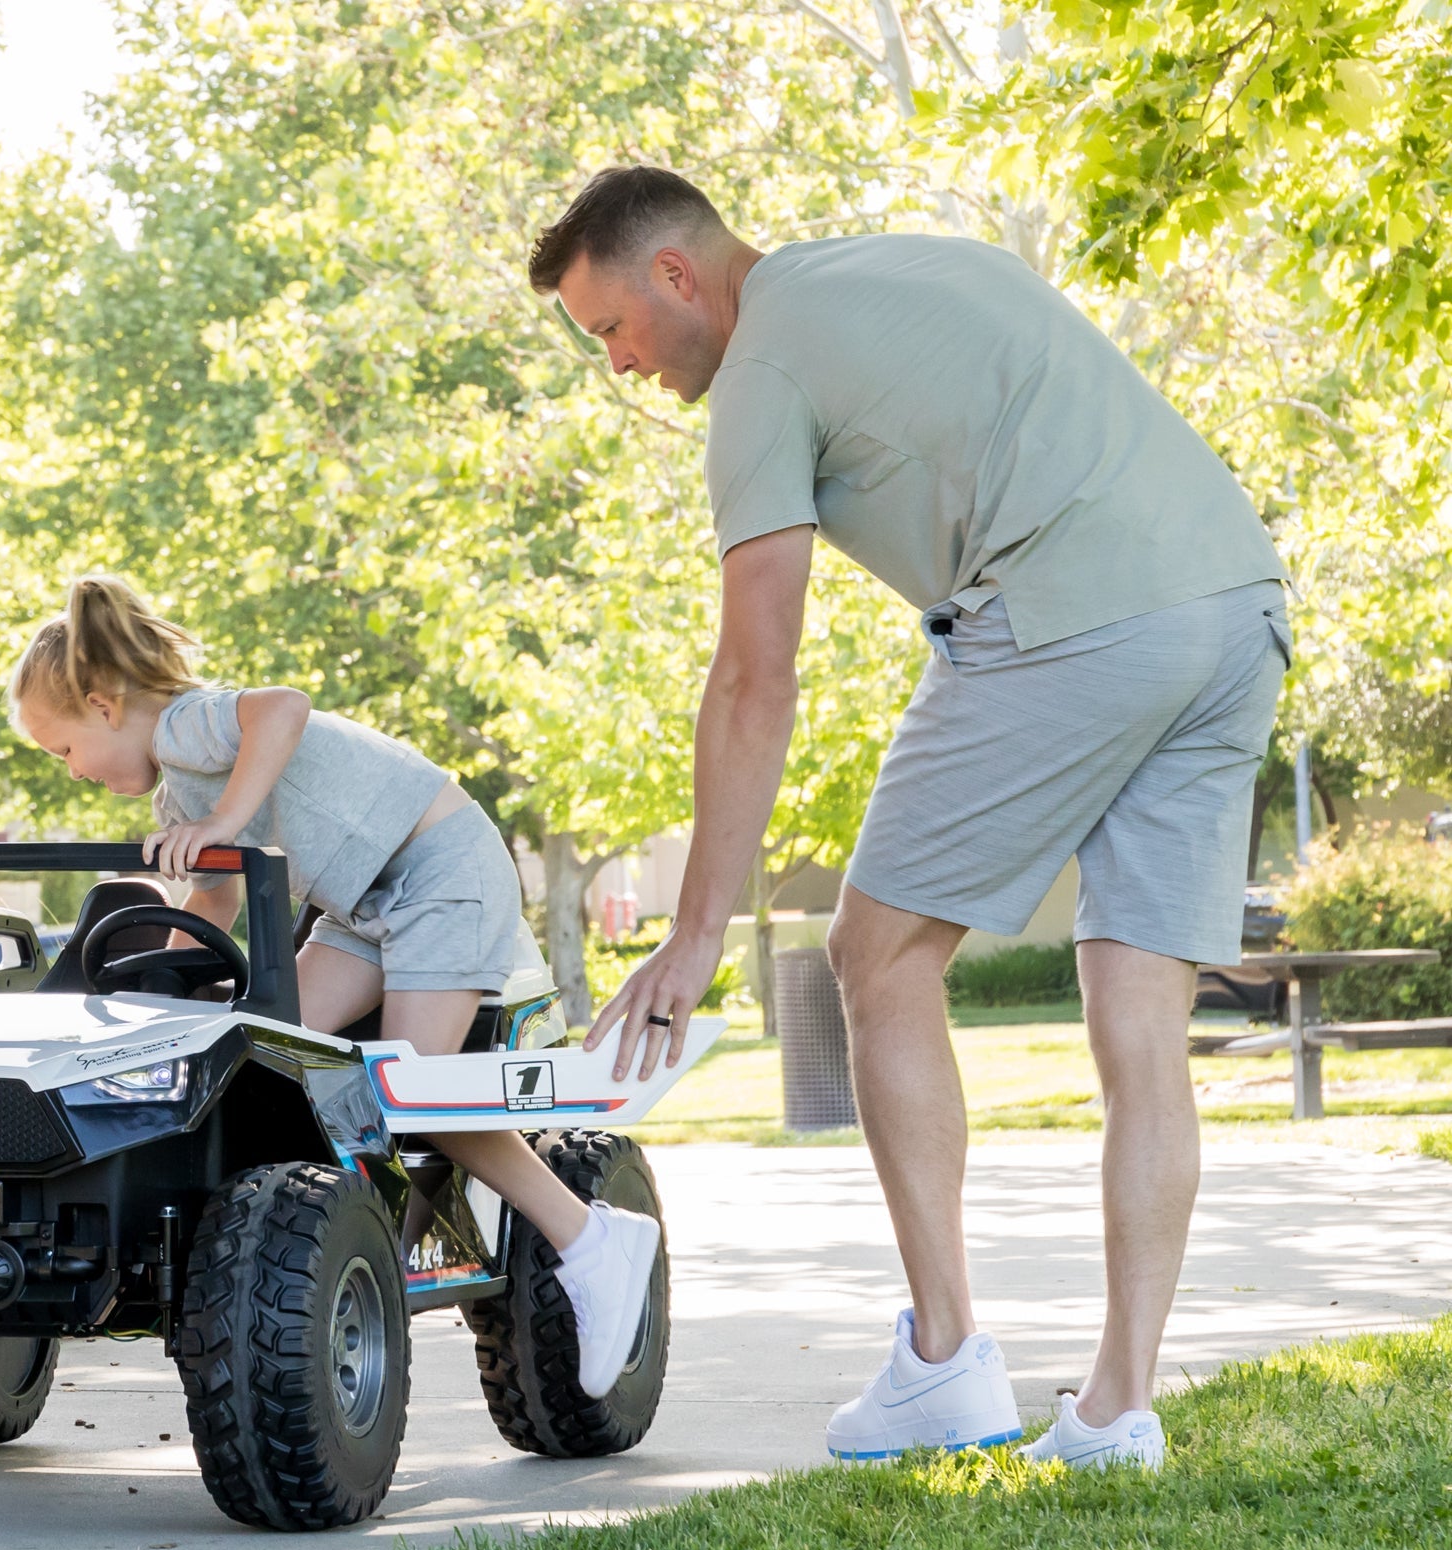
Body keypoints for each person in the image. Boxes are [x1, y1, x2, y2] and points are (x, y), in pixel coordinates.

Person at [530, 167, 1291, 1469]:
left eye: (611, 328)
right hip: (1232, 606)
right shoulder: (915, 263)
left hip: (1072, 612)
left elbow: (755, 674)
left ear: (674, 274)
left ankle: (944, 1362)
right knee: (1139, 1014)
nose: (618, 365)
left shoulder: (761, 371)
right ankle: (1114, 1411)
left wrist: (695, 933)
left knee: (877, 954)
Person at [9, 573, 662, 1399]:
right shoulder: (181, 791)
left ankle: (593, 1241)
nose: (70, 772)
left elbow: (283, 707)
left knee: (409, 1093)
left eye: (63, 750)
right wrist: (151, 1010)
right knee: (284, 1060)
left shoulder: (186, 724)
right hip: (367, 906)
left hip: (438, 874)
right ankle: (341, 1238)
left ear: (104, 707)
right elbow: (213, 902)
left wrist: (222, 822)